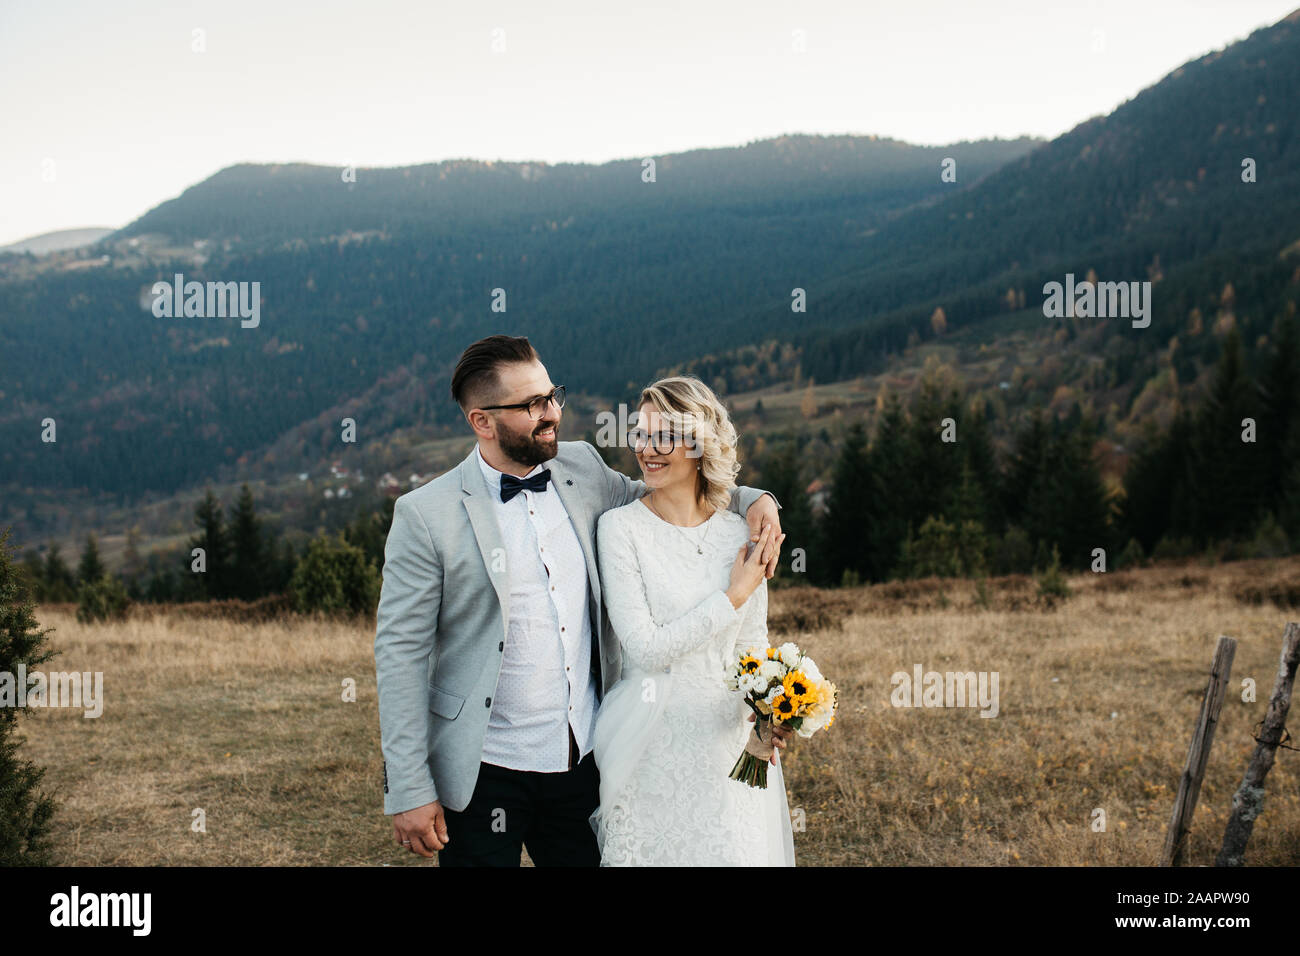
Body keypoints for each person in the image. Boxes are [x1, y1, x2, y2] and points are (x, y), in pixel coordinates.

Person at [374, 335, 784, 865]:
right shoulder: (425, 515)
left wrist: (759, 501)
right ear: (482, 421)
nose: (552, 414)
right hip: (481, 772)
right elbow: (399, 655)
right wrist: (408, 787)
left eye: (552, 396)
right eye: (532, 406)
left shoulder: (583, 468)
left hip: (583, 761)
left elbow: (668, 494)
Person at [589, 376, 796, 865]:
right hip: (650, 738)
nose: (646, 449)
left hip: (727, 738)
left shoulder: (740, 534)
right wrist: (733, 595)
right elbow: (645, 648)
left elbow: (753, 646)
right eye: (640, 434)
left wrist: (769, 716)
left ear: (700, 445)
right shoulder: (619, 530)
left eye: (663, 436)